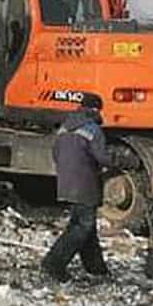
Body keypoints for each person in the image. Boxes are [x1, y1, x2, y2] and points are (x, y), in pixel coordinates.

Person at [42, 93, 112, 282]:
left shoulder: (65, 127)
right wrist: (122, 161)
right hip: (85, 182)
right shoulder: (93, 129)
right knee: (82, 226)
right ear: (96, 109)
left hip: (66, 181)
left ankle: (96, 268)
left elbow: (56, 152)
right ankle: (54, 263)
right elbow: (102, 157)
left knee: (85, 225)